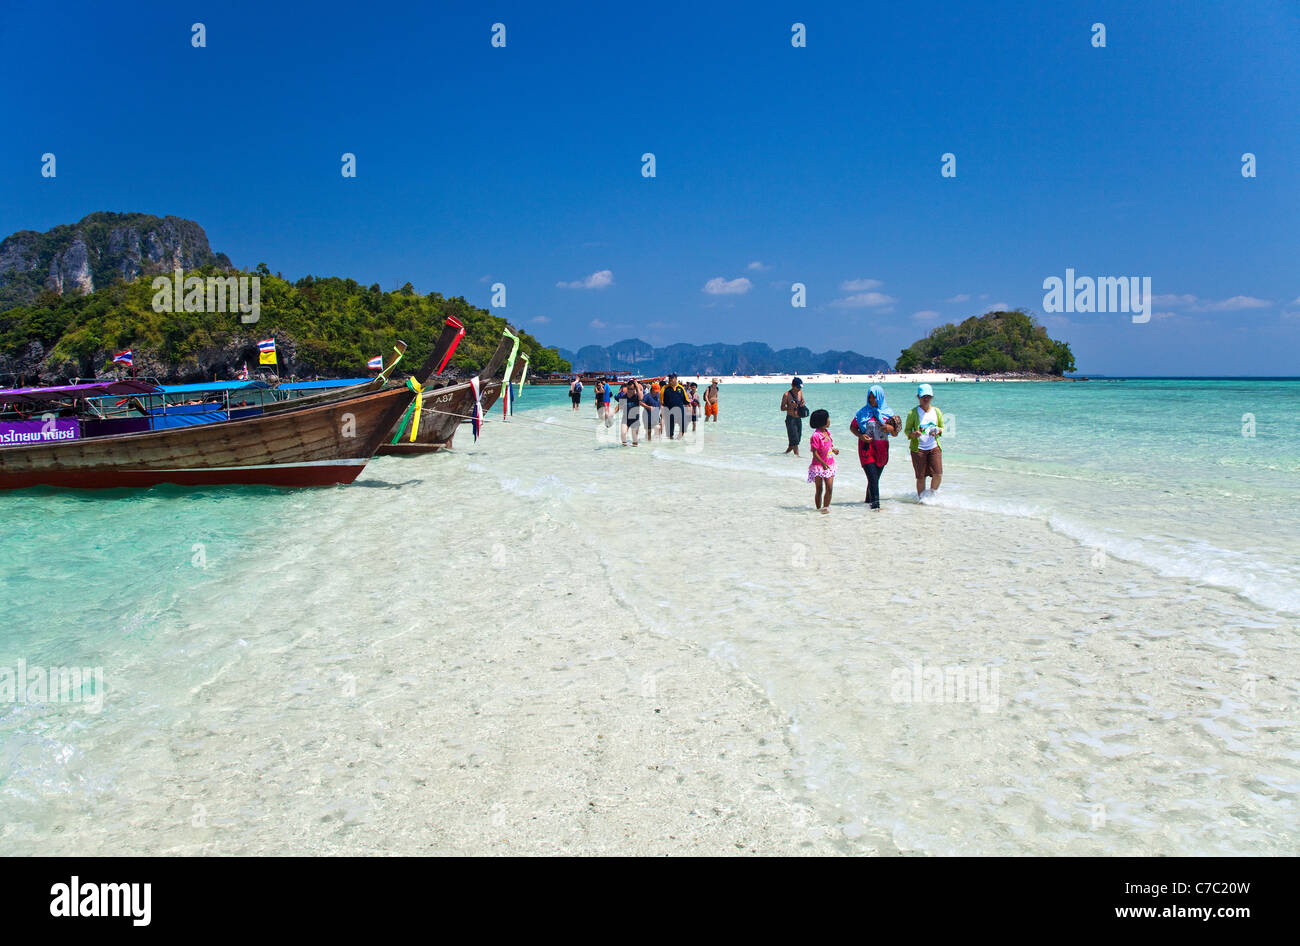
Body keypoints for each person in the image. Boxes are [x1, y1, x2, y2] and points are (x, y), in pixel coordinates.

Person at [849, 384, 900, 510]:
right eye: (870, 398)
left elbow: (895, 433)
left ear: (880, 397)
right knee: (872, 478)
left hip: (882, 449)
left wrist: (889, 428)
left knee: (874, 479)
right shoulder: (862, 412)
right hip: (866, 449)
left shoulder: (888, 413)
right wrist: (861, 436)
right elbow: (852, 427)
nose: (872, 400)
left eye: (875, 398)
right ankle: (876, 507)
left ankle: (867, 502)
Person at [904, 383, 945, 497]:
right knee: (921, 477)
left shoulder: (937, 411)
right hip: (918, 449)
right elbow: (907, 431)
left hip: (934, 447)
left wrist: (939, 431)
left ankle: (930, 497)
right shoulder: (913, 413)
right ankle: (921, 499)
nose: (926, 399)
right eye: (923, 397)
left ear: (932, 397)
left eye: (928, 396)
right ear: (918, 397)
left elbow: (942, 427)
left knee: (938, 474)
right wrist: (913, 434)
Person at [807, 408, 838, 513]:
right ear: (822, 421)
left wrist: (833, 450)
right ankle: (818, 509)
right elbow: (815, 453)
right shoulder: (816, 436)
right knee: (819, 489)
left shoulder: (827, 433)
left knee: (829, 488)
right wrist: (822, 463)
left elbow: (827, 447)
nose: (829, 420)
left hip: (830, 465)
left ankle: (825, 508)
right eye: (828, 418)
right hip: (819, 466)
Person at [780, 377, 806, 456]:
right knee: (794, 440)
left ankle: (784, 454)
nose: (799, 389)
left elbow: (803, 401)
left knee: (796, 440)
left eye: (800, 387)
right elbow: (782, 408)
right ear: (792, 386)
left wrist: (802, 404)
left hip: (798, 418)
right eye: (797, 387)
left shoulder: (800, 392)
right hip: (790, 419)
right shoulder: (786, 395)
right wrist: (790, 407)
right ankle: (797, 456)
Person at [660, 372, 689, 440]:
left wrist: (690, 408)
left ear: (676, 379)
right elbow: (661, 401)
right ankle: (671, 442)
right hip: (669, 411)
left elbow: (686, 400)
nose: (670, 379)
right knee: (670, 430)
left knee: (683, 426)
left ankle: (678, 440)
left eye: (672, 378)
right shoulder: (664, 388)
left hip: (680, 411)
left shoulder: (681, 388)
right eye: (669, 378)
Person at [614, 380, 642, 446]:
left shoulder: (637, 396)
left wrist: (637, 385)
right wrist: (612, 413)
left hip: (635, 420)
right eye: (628, 388)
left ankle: (634, 453)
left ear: (634, 389)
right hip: (625, 419)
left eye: (631, 389)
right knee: (623, 434)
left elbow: (641, 397)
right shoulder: (624, 397)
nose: (629, 390)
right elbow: (619, 406)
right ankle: (624, 452)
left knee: (634, 439)